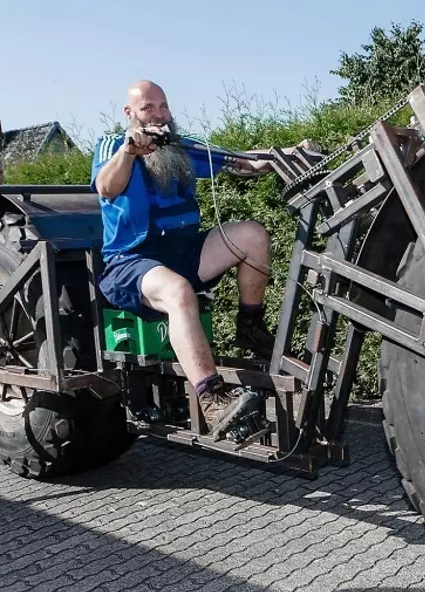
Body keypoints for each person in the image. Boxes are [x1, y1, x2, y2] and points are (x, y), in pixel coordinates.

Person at [91, 79, 294, 442]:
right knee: (179, 291)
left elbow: (240, 163)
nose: (158, 114)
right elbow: (106, 187)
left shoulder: (181, 150)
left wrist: (284, 154)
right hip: (130, 263)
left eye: (162, 106)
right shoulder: (112, 146)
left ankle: (250, 325)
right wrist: (130, 152)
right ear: (129, 114)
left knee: (253, 235)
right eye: (147, 108)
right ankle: (212, 399)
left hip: (184, 255)